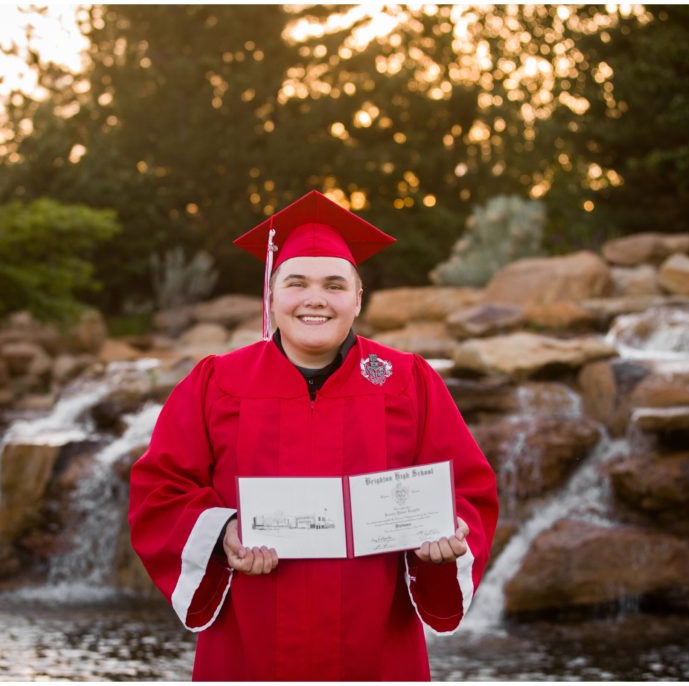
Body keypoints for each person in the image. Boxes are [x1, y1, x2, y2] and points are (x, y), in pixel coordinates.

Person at [128, 190, 498, 681]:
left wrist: (446, 533)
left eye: (334, 285)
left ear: (358, 297)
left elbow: (469, 489)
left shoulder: (407, 381)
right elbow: (158, 490)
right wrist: (223, 533)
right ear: (272, 295)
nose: (315, 299)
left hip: (375, 642)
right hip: (250, 641)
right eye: (296, 282)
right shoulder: (217, 382)